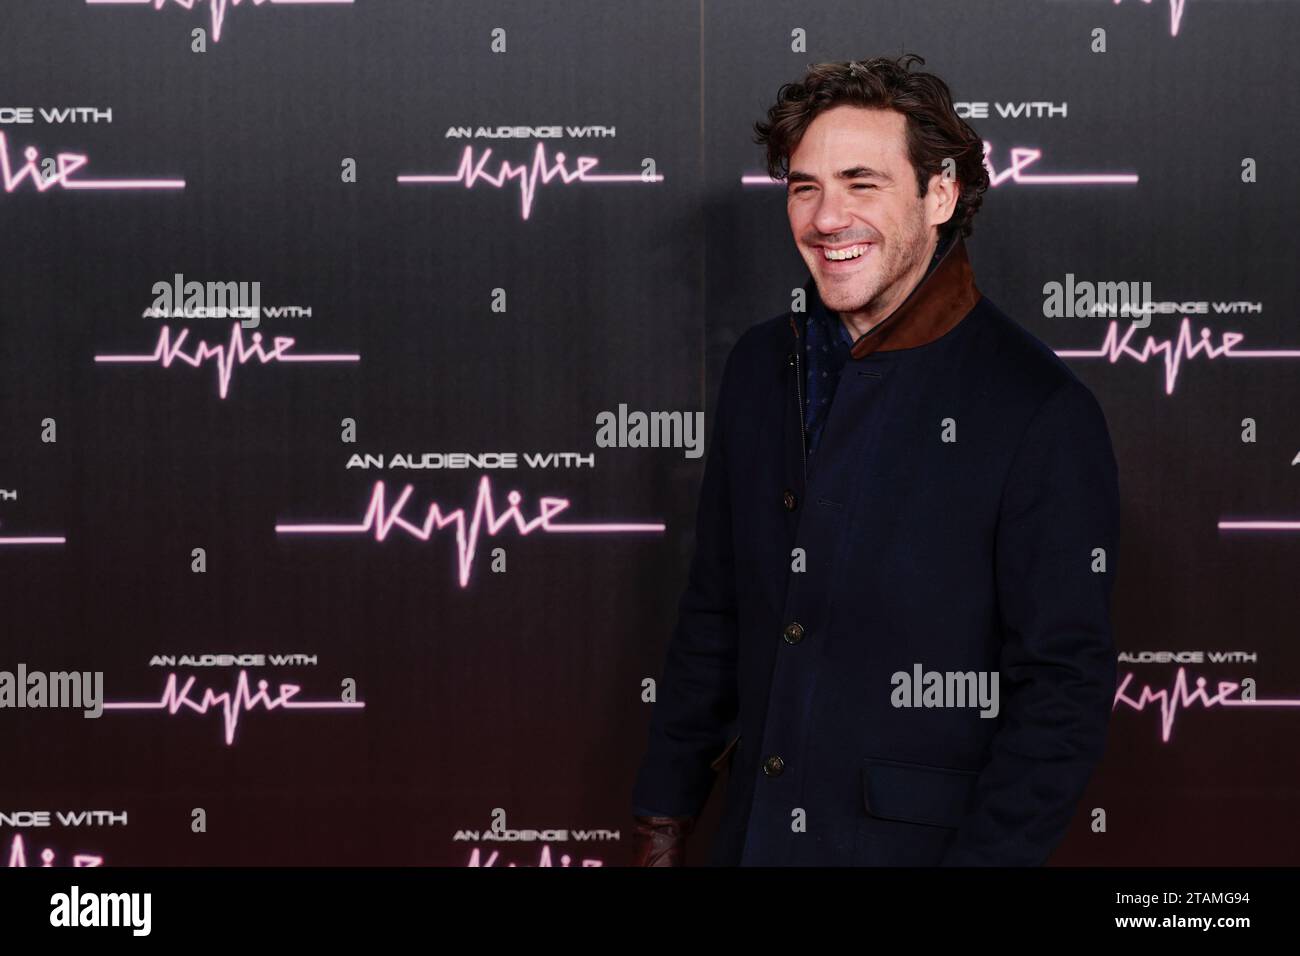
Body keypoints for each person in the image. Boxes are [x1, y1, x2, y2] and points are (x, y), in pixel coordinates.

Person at [630, 54, 1120, 866]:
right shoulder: (761, 367)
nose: (828, 218)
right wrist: (662, 816)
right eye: (805, 186)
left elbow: (1061, 696)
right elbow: (715, 613)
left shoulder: (1040, 409)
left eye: (863, 183)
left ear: (940, 194)